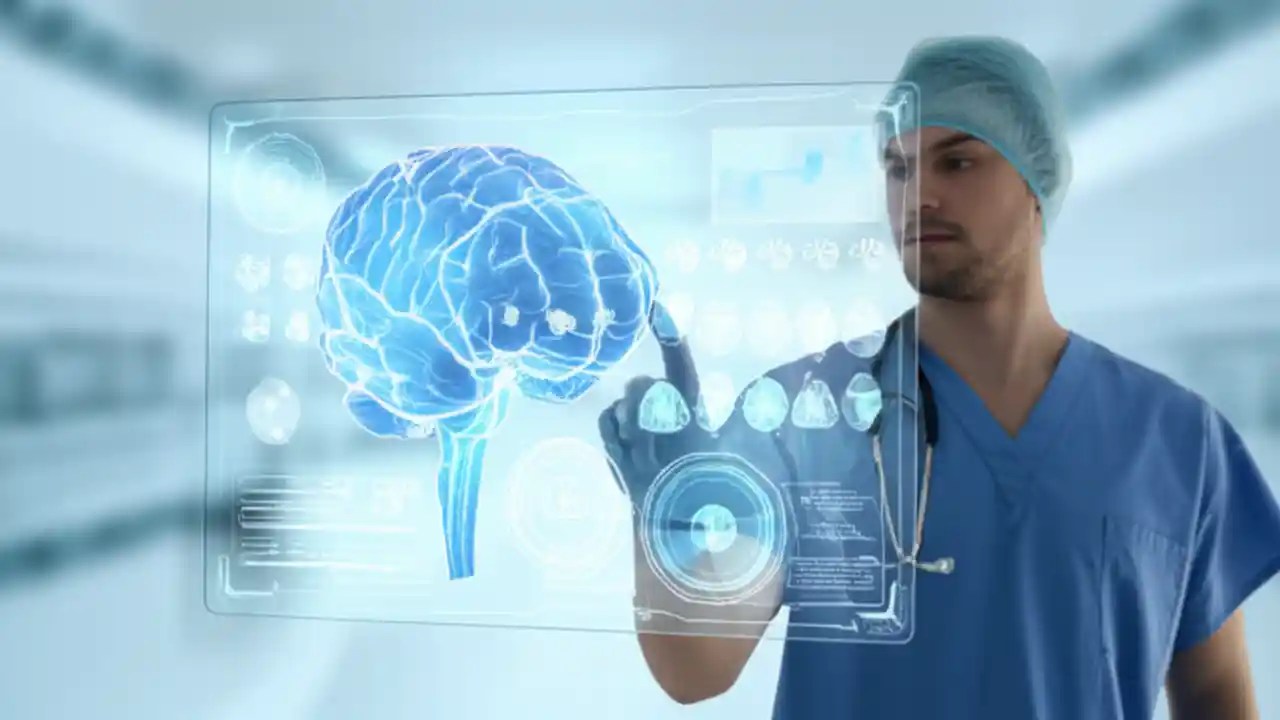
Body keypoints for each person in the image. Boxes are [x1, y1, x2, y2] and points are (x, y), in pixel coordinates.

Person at [598, 36, 1280, 719]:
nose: (918, 195)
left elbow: (1216, 695)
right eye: (897, 169)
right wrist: (671, 511)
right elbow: (694, 668)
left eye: (957, 161)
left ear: (1034, 180)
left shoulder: (1177, 440)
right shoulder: (804, 414)